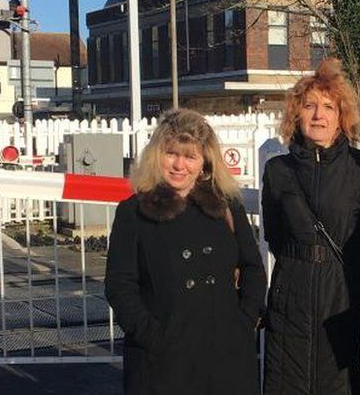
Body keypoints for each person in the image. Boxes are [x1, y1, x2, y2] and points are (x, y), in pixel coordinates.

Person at [105, 108, 266, 394]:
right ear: (157, 156)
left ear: (204, 162)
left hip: (225, 356)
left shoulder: (227, 206)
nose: (179, 165)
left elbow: (253, 267)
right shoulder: (133, 212)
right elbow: (120, 285)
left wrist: (245, 321)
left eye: (190, 156)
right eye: (171, 153)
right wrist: (153, 336)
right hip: (163, 361)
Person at [261, 59, 360, 395]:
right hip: (292, 294)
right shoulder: (278, 171)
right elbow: (276, 236)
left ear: (341, 116)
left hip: (345, 295)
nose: (318, 115)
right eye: (309, 106)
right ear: (296, 114)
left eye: (328, 107)